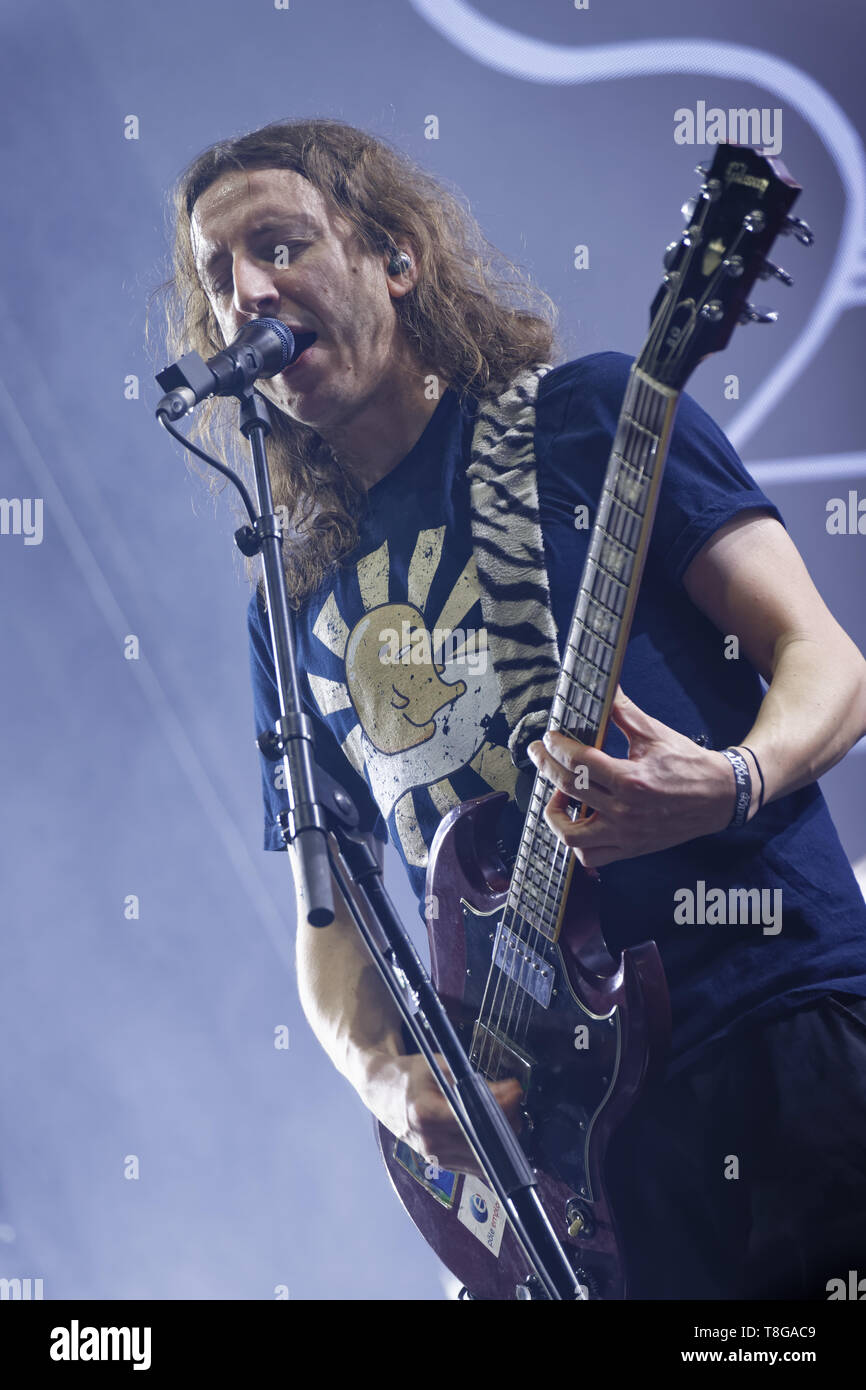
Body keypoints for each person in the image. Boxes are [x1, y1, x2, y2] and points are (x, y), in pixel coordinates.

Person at [162, 117, 866, 1299]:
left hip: (768, 1025)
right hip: (571, 1164)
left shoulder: (590, 417)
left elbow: (824, 659)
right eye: (217, 278)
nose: (248, 294)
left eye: (278, 245)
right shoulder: (286, 603)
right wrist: (392, 1083)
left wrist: (730, 777)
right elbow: (327, 911)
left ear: (396, 255)